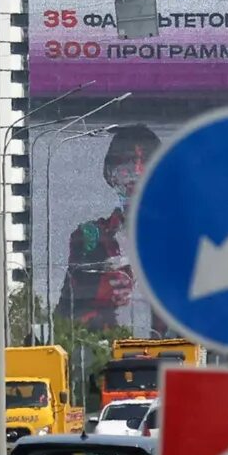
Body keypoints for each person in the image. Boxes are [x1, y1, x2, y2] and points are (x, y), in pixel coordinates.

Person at [59, 123, 160, 331]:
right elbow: (66, 319)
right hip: (107, 347)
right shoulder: (90, 238)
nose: (135, 176)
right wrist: (105, 297)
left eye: (146, 167)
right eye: (127, 168)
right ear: (110, 175)